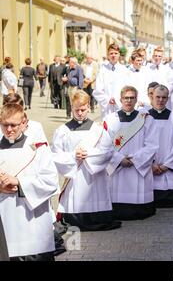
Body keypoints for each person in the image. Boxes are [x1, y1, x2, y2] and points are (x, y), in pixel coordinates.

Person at [52, 90, 121, 231]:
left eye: (83, 109)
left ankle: (97, 218)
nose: (80, 113)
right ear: (71, 107)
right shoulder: (62, 131)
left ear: (89, 107)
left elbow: (108, 151)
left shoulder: (98, 129)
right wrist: (73, 156)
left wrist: (88, 154)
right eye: (77, 109)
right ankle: (72, 219)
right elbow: (55, 155)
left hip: (94, 175)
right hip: (74, 175)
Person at [0, 104, 59, 261]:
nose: (9, 129)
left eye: (14, 125)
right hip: (4, 221)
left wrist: (19, 182)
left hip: (32, 223)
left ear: (23, 123)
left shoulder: (39, 148)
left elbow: (51, 181)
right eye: (5, 125)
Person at [103, 86, 159, 220]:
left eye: (132, 98)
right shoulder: (110, 120)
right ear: (120, 99)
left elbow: (152, 144)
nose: (128, 101)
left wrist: (135, 159)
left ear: (136, 100)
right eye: (126, 98)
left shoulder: (145, 119)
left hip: (137, 166)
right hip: (118, 167)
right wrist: (119, 159)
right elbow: (104, 144)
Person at [93, 44, 128, 120]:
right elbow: (97, 90)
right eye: (111, 53)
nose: (113, 55)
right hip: (107, 108)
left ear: (119, 55)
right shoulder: (102, 70)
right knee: (107, 129)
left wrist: (118, 99)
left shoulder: (124, 70)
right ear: (108, 55)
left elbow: (127, 89)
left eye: (115, 53)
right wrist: (108, 99)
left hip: (121, 106)